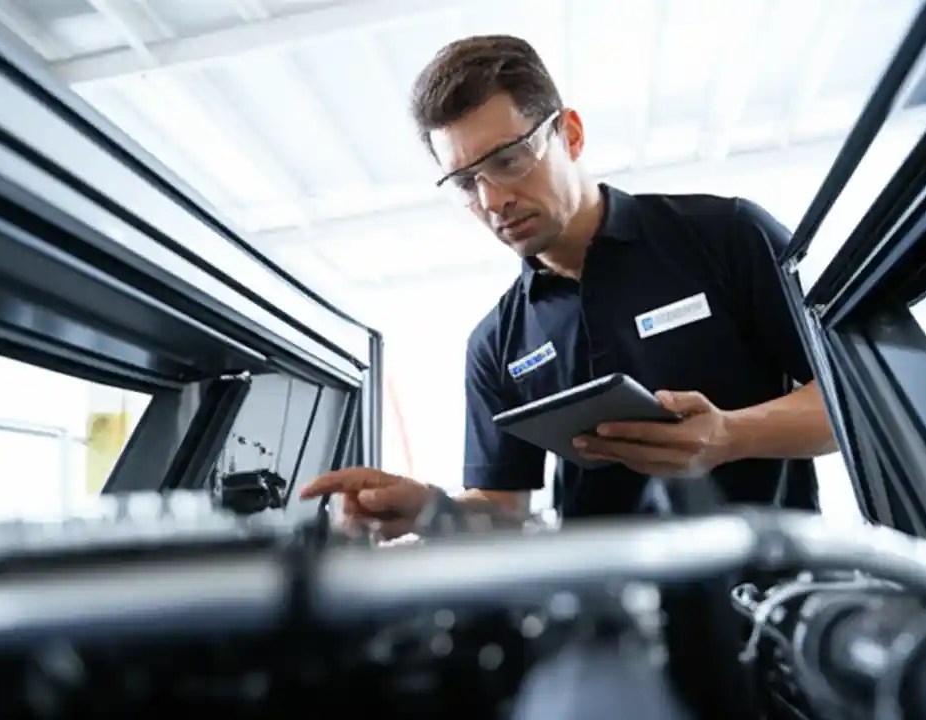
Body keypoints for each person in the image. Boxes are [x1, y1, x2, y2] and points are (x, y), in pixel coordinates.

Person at [301, 33, 836, 537]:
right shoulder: (496, 342)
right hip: (608, 601)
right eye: (465, 182)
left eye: (508, 160)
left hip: (775, 584)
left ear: (571, 135)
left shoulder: (727, 236)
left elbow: (855, 401)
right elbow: (504, 509)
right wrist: (428, 508)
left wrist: (728, 436)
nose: (492, 201)